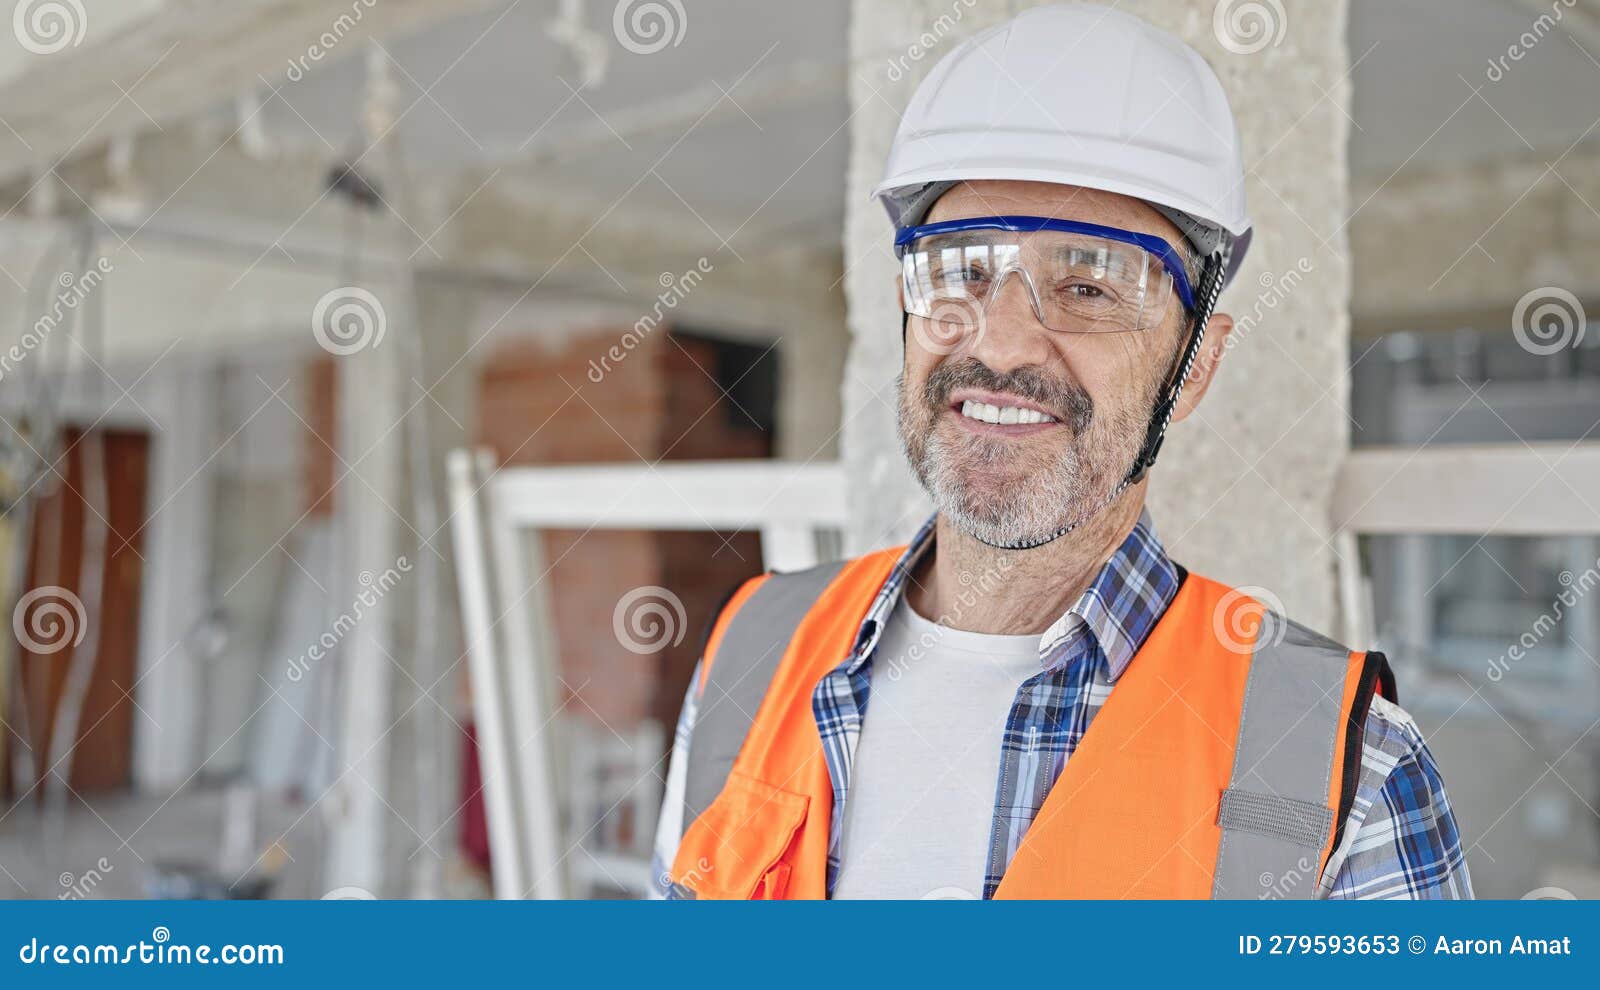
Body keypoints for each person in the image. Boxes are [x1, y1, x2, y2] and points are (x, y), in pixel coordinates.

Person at [650, 2, 1470, 900]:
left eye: (1088, 284)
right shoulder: (753, 650)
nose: (999, 346)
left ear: (1194, 366)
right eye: (961, 270)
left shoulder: (1341, 766)